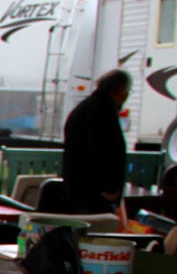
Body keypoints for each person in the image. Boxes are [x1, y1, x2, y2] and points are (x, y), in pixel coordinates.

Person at [55, 69, 131, 215]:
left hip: (76, 189)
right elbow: (103, 151)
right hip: (94, 195)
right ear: (120, 90)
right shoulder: (103, 111)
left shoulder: (84, 108)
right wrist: (108, 188)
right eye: (127, 91)